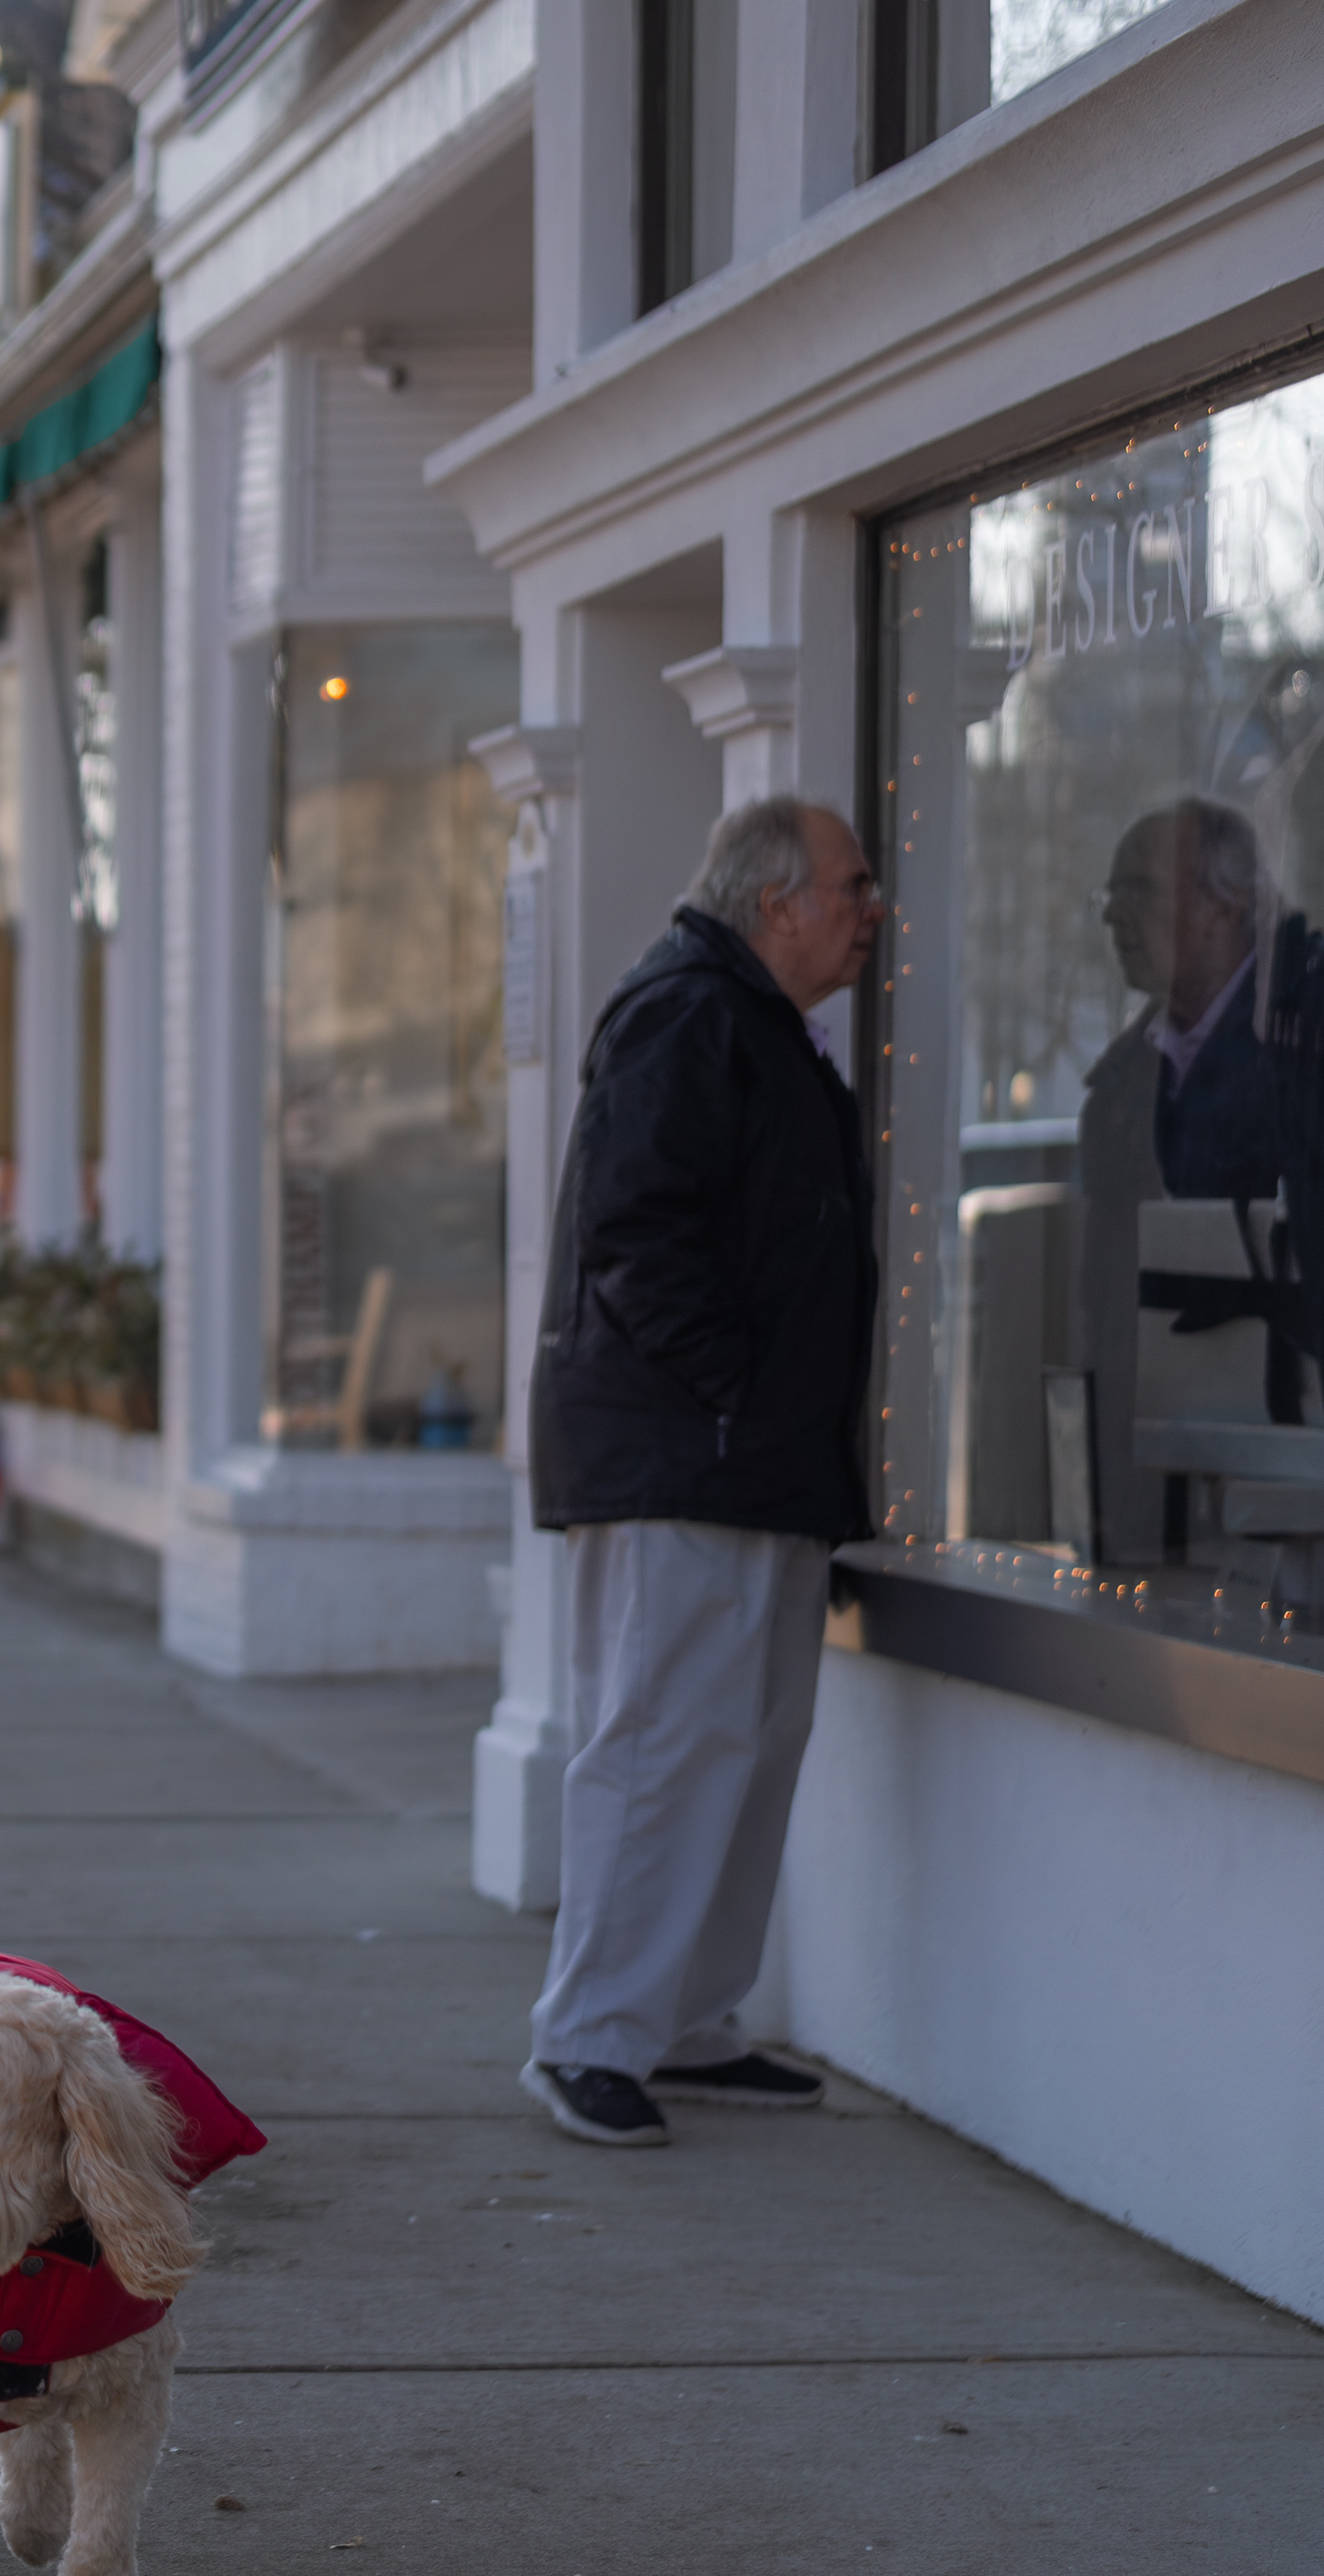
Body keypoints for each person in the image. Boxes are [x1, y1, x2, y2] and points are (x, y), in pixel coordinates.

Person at [520, 797, 883, 2148]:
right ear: (774, 902)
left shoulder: (747, 1020)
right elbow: (636, 1233)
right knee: (662, 1745)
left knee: (747, 1742)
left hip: (747, 1457)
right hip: (687, 1456)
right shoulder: (688, 1013)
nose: (872, 909)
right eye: (850, 884)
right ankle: (587, 2036)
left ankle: (682, 2020)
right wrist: (735, 1394)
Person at [1079, 796, 1324, 1616]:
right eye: (1108, 895)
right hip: (1179, 1482)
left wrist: (1320, 1356)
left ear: (1224, 905)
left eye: (1138, 889)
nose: (1112, 915)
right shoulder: (1123, 1083)